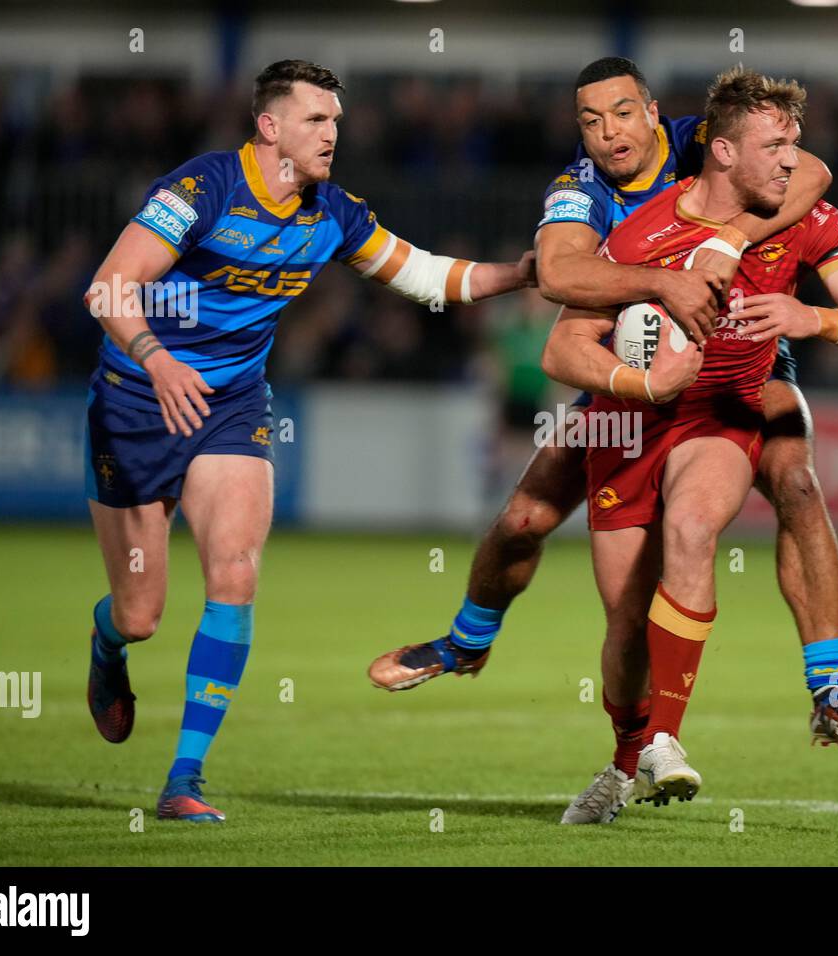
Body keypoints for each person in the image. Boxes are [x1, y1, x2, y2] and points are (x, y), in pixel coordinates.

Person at [83, 59, 534, 823]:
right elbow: (108, 286)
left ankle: (185, 779)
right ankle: (108, 645)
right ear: (269, 126)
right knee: (140, 615)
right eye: (316, 120)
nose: (332, 134)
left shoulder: (335, 213)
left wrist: (521, 273)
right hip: (137, 402)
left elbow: (427, 277)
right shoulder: (202, 189)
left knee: (235, 573)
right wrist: (157, 361)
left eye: (336, 122)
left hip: (230, 408)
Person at [540, 65, 838, 813]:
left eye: (794, 145)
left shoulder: (807, 217)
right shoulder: (643, 235)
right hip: (631, 424)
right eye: (776, 147)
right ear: (723, 151)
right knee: (626, 632)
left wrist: (815, 319)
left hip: (722, 415)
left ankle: (706, 727)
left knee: (707, 520)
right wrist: (643, 383)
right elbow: (562, 350)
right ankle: (624, 759)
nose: (792, 162)